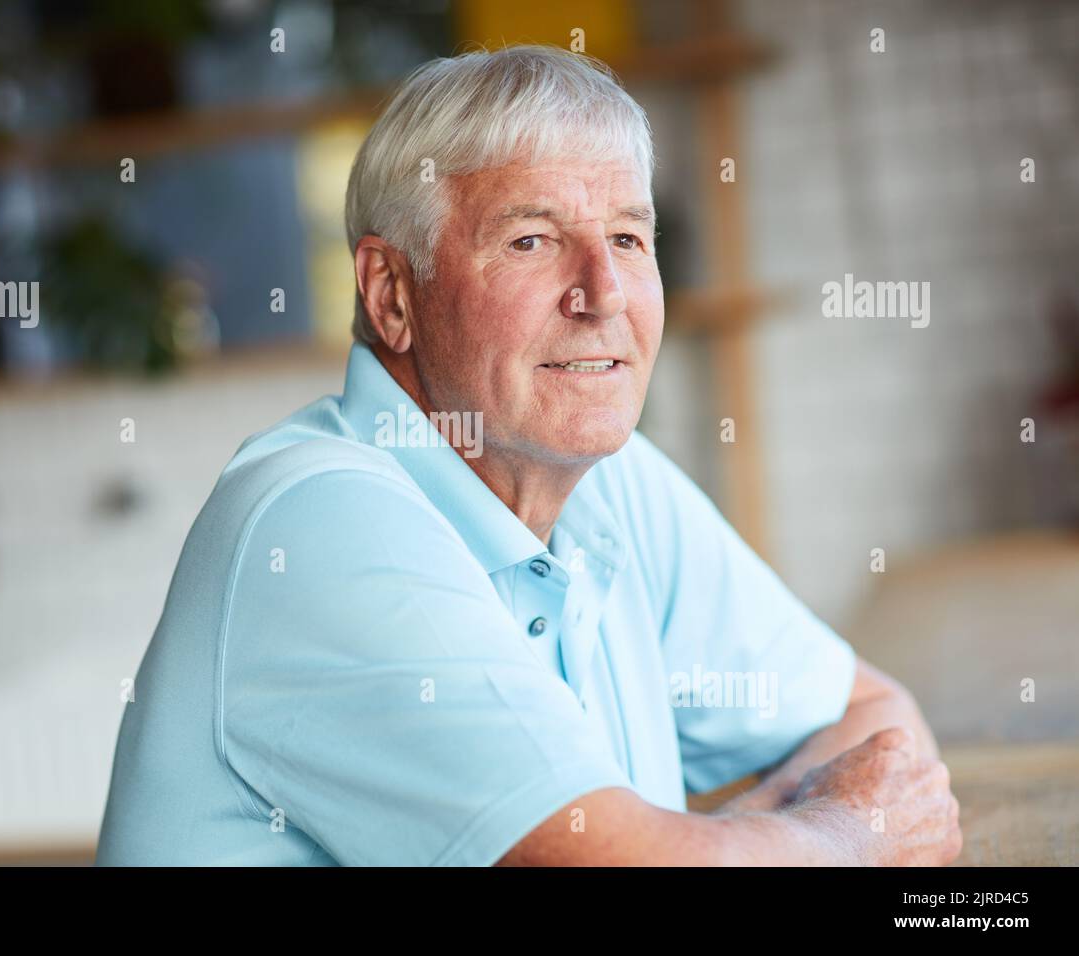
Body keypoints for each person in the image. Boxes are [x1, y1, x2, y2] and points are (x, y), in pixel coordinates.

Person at [95, 44, 960, 866]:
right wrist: (844, 841)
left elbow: (877, 724)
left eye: (627, 238)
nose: (604, 293)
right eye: (531, 240)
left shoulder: (608, 485)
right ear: (391, 295)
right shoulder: (316, 518)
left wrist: (714, 848)